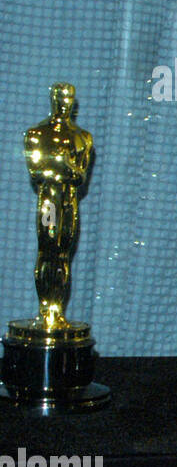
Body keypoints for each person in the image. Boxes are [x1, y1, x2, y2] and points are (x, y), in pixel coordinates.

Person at [25, 82, 94, 332]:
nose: (65, 102)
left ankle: (57, 311)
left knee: (64, 253)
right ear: (53, 98)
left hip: (68, 201)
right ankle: (45, 309)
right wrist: (64, 166)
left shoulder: (83, 137)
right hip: (49, 202)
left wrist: (63, 167)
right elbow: (36, 172)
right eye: (61, 97)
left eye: (69, 98)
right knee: (47, 251)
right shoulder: (36, 134)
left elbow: (80, 176)